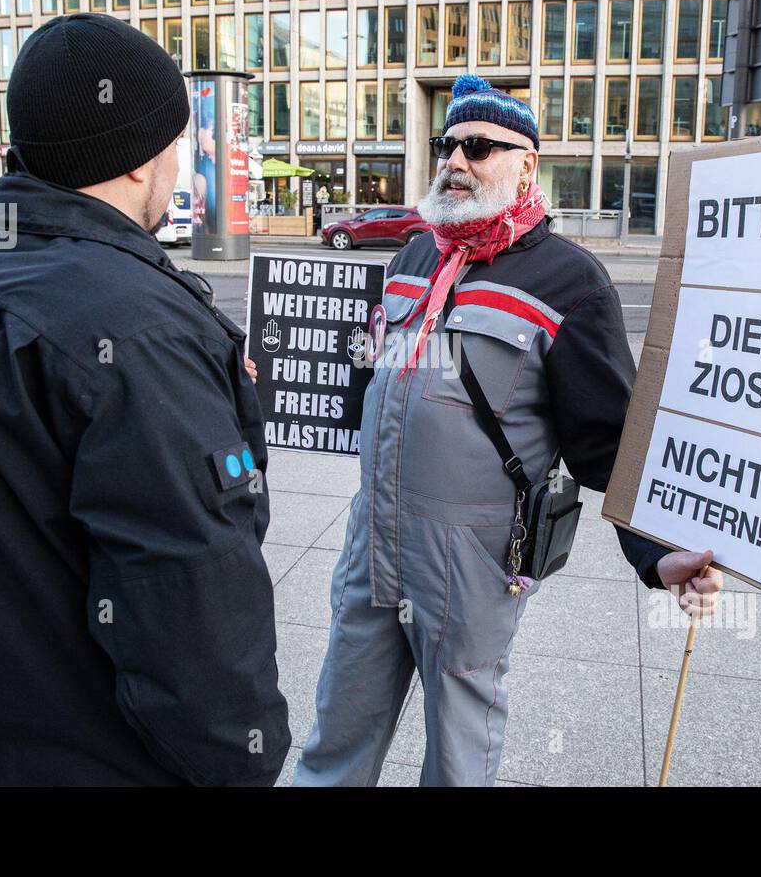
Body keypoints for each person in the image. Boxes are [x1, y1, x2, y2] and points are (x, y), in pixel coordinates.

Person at [0, 13, 288, 786]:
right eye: (177, 142)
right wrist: (242, 760)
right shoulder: (132, 332)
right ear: (144, 160)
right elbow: (190, 603)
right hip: (103, 759)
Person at [294, 75, 723, 787]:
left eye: (481, 147)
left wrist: (661, 552)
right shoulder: (412, 257)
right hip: (373, 540)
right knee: (336, 735)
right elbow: (375, 384)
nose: (456, 161)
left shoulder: (570, 282)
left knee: (458, 756)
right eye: (449, 145)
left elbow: (609, 442)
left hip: (471, 558)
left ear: (527, 164)